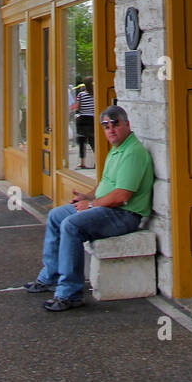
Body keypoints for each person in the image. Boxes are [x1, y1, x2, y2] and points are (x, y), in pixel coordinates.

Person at [24, 104, 153, 312]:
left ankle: (69, 293)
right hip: (106, 208)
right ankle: (51, 276)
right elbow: (105, 185)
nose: (110, 129)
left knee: (71, 225)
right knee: (56, 215)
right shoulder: (117, 149)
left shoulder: (133, 153)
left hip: (124, 214)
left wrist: (90, 205)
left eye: (115, 124)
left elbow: (121, 196)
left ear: (127, 124)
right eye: (106, 126)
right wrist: (86, 196)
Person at [73, 75, 96, 168]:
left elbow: (78, 107)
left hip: (83, 119)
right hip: (93, 119)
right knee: (93, 141)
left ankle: (82, 163)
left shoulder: (81, 94)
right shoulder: (96, 94)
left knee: (82, 141)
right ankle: (97, 161)